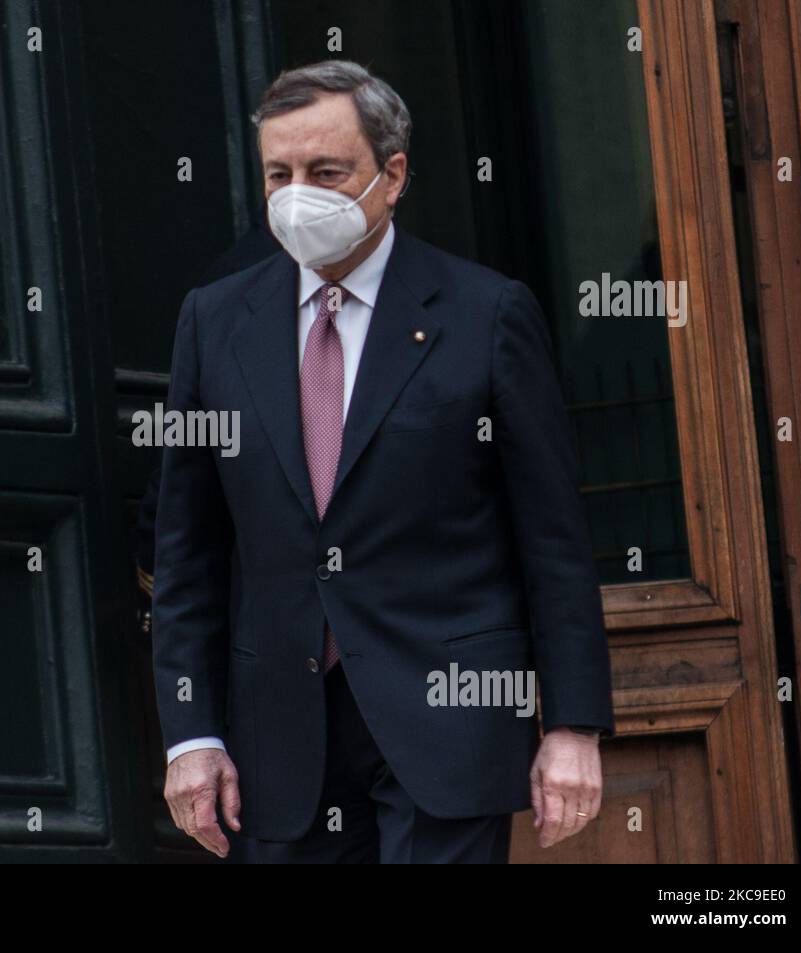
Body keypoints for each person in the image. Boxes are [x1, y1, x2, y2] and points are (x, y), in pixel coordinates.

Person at [152, 60, 614, 863]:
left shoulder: (485, 314)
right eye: (279, 173)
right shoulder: (216, 321)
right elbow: (187, 548)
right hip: (280, 736)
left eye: (327, 172)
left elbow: (553, 538)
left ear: (392, 174)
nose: (300, 193)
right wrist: (190, 732)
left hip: (447, 719)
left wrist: (571, 724)